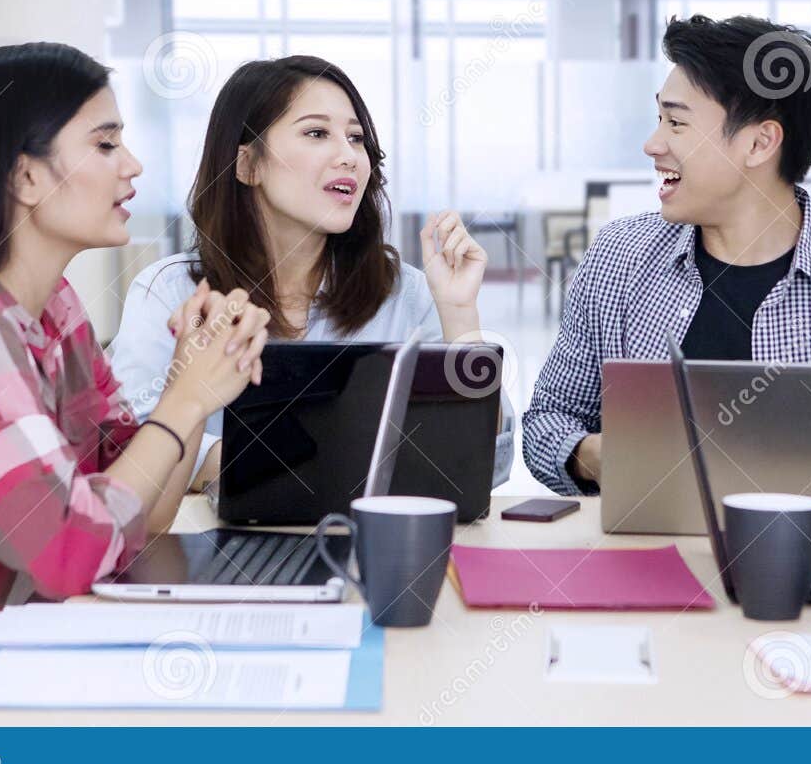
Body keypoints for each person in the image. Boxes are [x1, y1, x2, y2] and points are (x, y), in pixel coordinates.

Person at [0, 43, 269, 727]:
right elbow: (70, 551)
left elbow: (142, 508)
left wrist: (194, 379)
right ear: (26, 176)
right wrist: (184, 401)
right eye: (105, 144)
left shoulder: (53, 307)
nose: (133, 165)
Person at [523, 14, 811, 496]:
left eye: (677, 123)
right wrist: (593, 457)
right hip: (645, 556)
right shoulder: (617, 259)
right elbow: (547, 421)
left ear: (760, 142)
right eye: (659, 118)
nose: (653, 143)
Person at [110, 55, 512, 489]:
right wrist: (323, 460)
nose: (349, 157)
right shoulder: (170, 292)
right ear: (248, 164)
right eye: (317, 133)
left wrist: (460, 319)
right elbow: (130, 453)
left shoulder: (408, 294)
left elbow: (486, 465)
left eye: (357, 139)